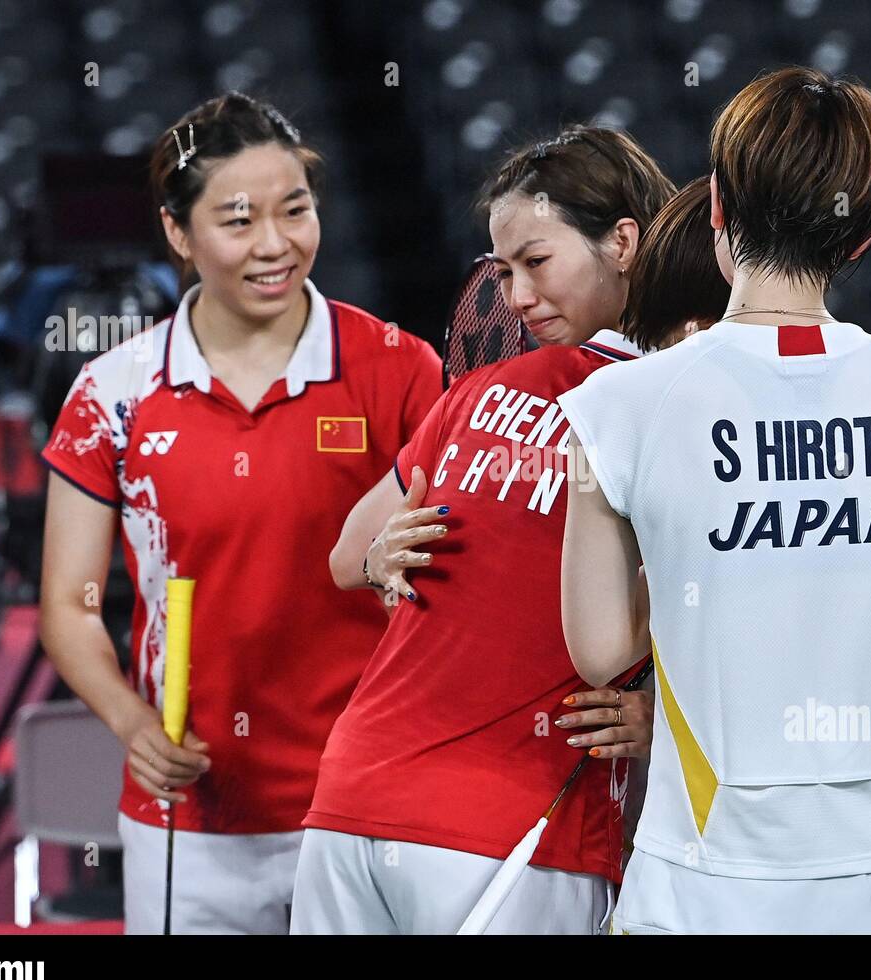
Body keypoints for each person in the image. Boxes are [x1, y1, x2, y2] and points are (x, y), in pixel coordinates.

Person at [556, 67, 871, 935]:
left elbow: (601, 647)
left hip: (710, 887)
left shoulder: (616, 410)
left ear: (718, 207)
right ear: (866, 234)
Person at [290, 143, 727, 935]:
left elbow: (346, 553)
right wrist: (664, 712)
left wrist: (379, 560)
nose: (518, 296)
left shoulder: (481, 391)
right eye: (501, 272)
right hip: (513, 829)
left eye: (534, 261)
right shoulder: (679, 417)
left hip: (349, 807)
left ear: (624, 244)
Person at [37, 92, 442, 934]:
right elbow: (68, 607)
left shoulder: (401, 369)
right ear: (179, 235)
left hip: (369, 805)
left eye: (296, 210)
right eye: (237, 219)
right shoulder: (112, 394)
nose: (274, 244)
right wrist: (131, 723)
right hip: (192, 824)